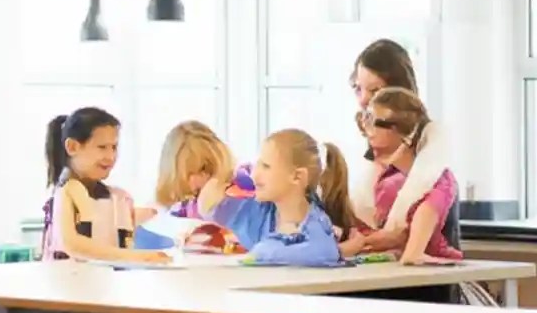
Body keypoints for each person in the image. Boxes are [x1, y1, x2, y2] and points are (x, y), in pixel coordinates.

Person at [195, 129, 353, 266]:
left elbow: (324, 253)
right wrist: (220, 178)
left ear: (297, 177)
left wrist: (263, 252)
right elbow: (211, 207)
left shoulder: (314, 221)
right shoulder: (257, 213)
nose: (254, 174)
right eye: (258, 165)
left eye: (266, 166)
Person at [348, 39, 451, 247]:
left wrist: (389, 235)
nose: (363, 100)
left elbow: (417, 198)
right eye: (359, 89)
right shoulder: (371, 151)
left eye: (374, 91)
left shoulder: (432, 140)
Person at [40, 107, 171, 264]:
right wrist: (137, 256)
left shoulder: (117, 197)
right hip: (70, 282)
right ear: (72, 147)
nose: (110, 157)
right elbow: (72, 244)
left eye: (114, 147)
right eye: (102, 147)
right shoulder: (67, 191)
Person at [358, 87, 463, 266]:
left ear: (403, 133)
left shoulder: (440, 182)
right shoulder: (388, 179)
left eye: (373, 121)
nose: (367, 130)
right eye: (365, 118)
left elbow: (412, 255)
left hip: (430, 284)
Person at [152, 121, 251, 219]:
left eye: (205, 168)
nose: (199, 178)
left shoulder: (243, 186)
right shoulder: (168, 213)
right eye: (189, 173)